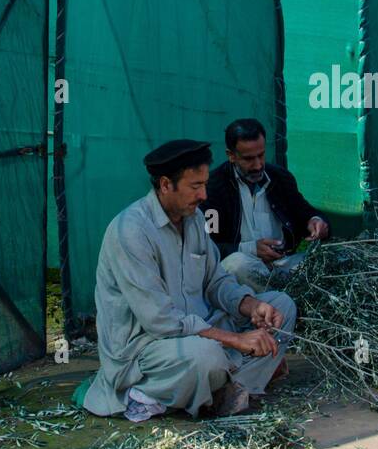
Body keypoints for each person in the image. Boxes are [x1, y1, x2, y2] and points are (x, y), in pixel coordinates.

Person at [80, 139, 296, 422]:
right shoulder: (130, 231)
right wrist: (235, 340)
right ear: (166, 185)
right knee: (207, 356)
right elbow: (161, 321)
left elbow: (216, 281)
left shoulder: (193, 220)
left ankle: (229, 390)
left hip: (200, 330)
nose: (204, 195)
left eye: (205, 184)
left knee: (282, 307)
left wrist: (250, 305)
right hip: (146, 348)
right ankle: (152, 393)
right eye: (195, 186)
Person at [202, 118, 329, 293]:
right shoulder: (213, 189)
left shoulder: (281, 179)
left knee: (329, 261)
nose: (258, 165)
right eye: (248, 159)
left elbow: (305, 212)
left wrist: (316, 221)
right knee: (235, 265)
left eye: (261, 155)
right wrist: (251, 249)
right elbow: (208, 246)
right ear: (231, 155)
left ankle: (283, 295)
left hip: (284, 264)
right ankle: (286, 297)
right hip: (246, 269)